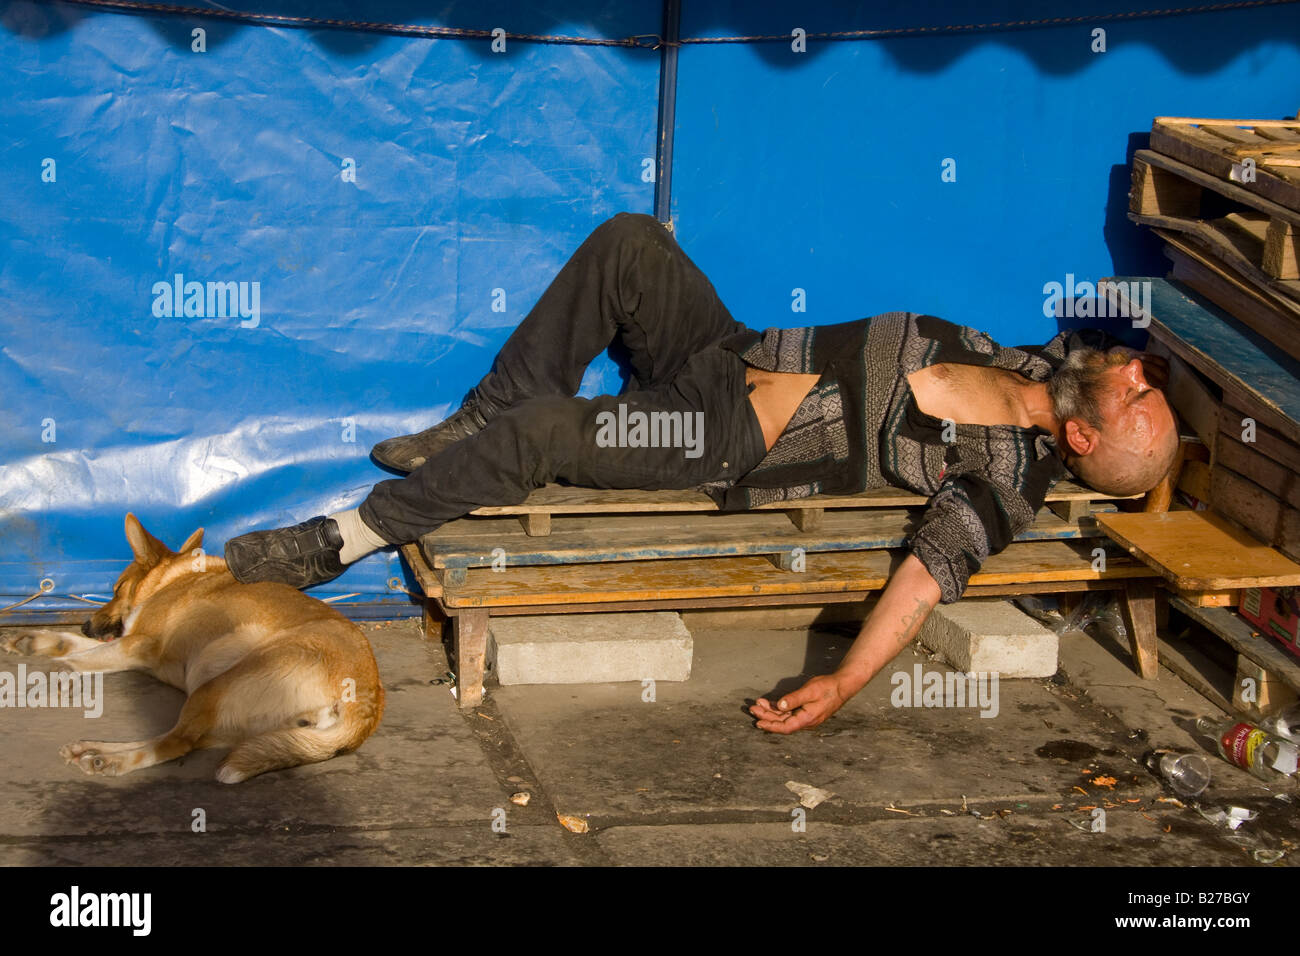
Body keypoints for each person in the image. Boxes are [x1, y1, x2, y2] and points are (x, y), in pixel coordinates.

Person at [224, 212, 1179, 734]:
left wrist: (840, 685)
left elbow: (929, 578)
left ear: (1088, 446)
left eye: (1139, 398)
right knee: (631, 242)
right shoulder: (1027, 362)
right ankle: (479, 416)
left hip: (723, 435)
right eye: (1147, 380)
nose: (1134, 372)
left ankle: (340, 540)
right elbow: (1110, 347)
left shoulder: (1005, 479)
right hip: (730, 348)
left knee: (548, 436)